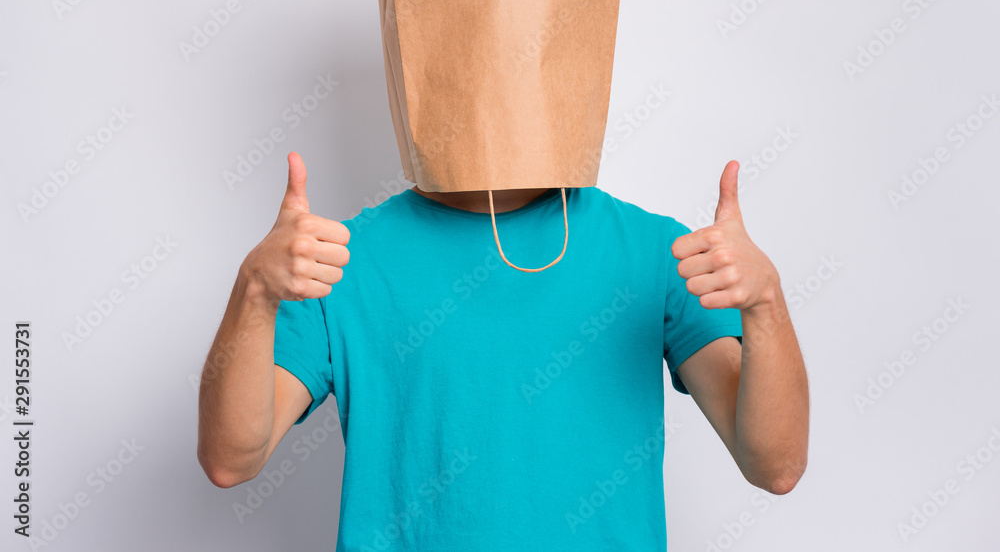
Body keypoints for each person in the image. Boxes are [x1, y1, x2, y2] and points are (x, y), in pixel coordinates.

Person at [197, 150, 809, 550]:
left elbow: (774, 465)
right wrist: (254, 293)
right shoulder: (338, 262)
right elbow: (231, 459)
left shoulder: (658, 253)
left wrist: (765, 303)